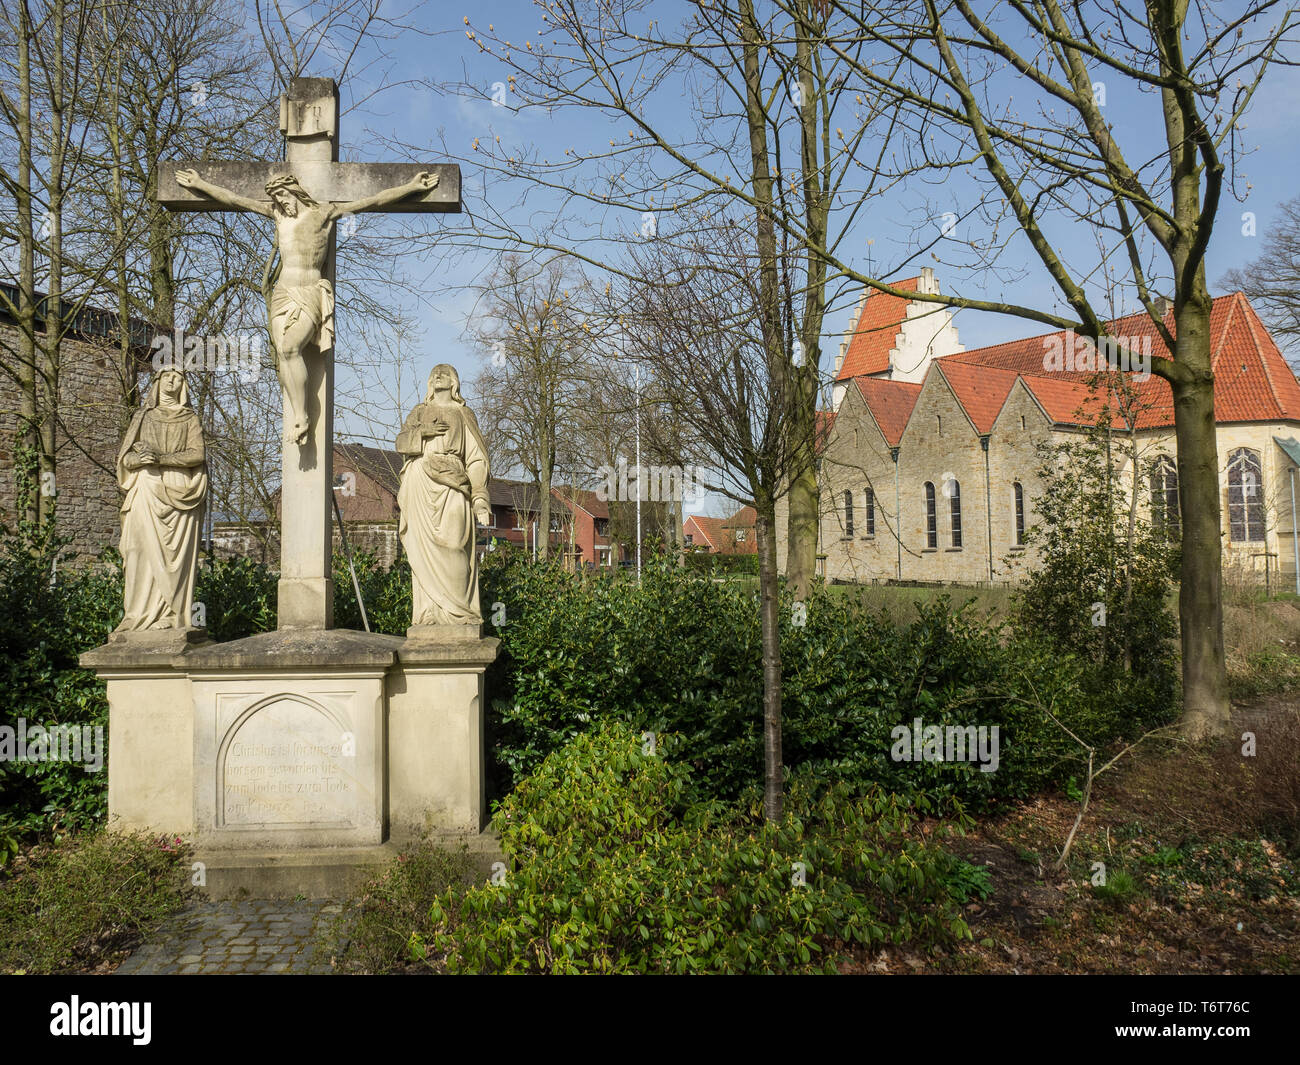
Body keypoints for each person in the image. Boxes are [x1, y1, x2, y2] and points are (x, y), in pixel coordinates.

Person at [175, 166, 438, 445]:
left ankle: (301, 417)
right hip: (283, 291)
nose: (280, 202)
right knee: (283, 353)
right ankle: (298, 414)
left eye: (283, 196)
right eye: (275, 198)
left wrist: (410, 187)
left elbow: (372, 200)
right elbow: (233, 198)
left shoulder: (323, 213)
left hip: (310, 290)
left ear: (295, 191)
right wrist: (201, 183)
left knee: (290, 347)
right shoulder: (277, 216)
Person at [396, 364, 492, 625]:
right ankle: (430, 614)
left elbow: (476, 460)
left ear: (455, 382)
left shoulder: (463, 414)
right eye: (434, 372)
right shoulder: (420, 411)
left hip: (453, 485)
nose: (438, 375)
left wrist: (480, 497)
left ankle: (460, 613)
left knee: (454, 546)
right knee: (421, 549)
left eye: (445, 372)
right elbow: (401, 443)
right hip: (420, 481)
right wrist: (421, 432)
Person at [114, 368, 207, 632]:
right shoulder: (142, 417)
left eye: (178, 378)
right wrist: (139, 460)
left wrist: (161, 459)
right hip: (145, 487)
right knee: (135, 549)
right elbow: (126, 459)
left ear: (183, 386)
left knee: (173, 558)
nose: (172, 380)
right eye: (167, 376)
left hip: (179, 489)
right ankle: (137, 615)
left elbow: (197, 455)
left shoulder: (190, 418)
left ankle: (171, 615)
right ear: (157, 382)